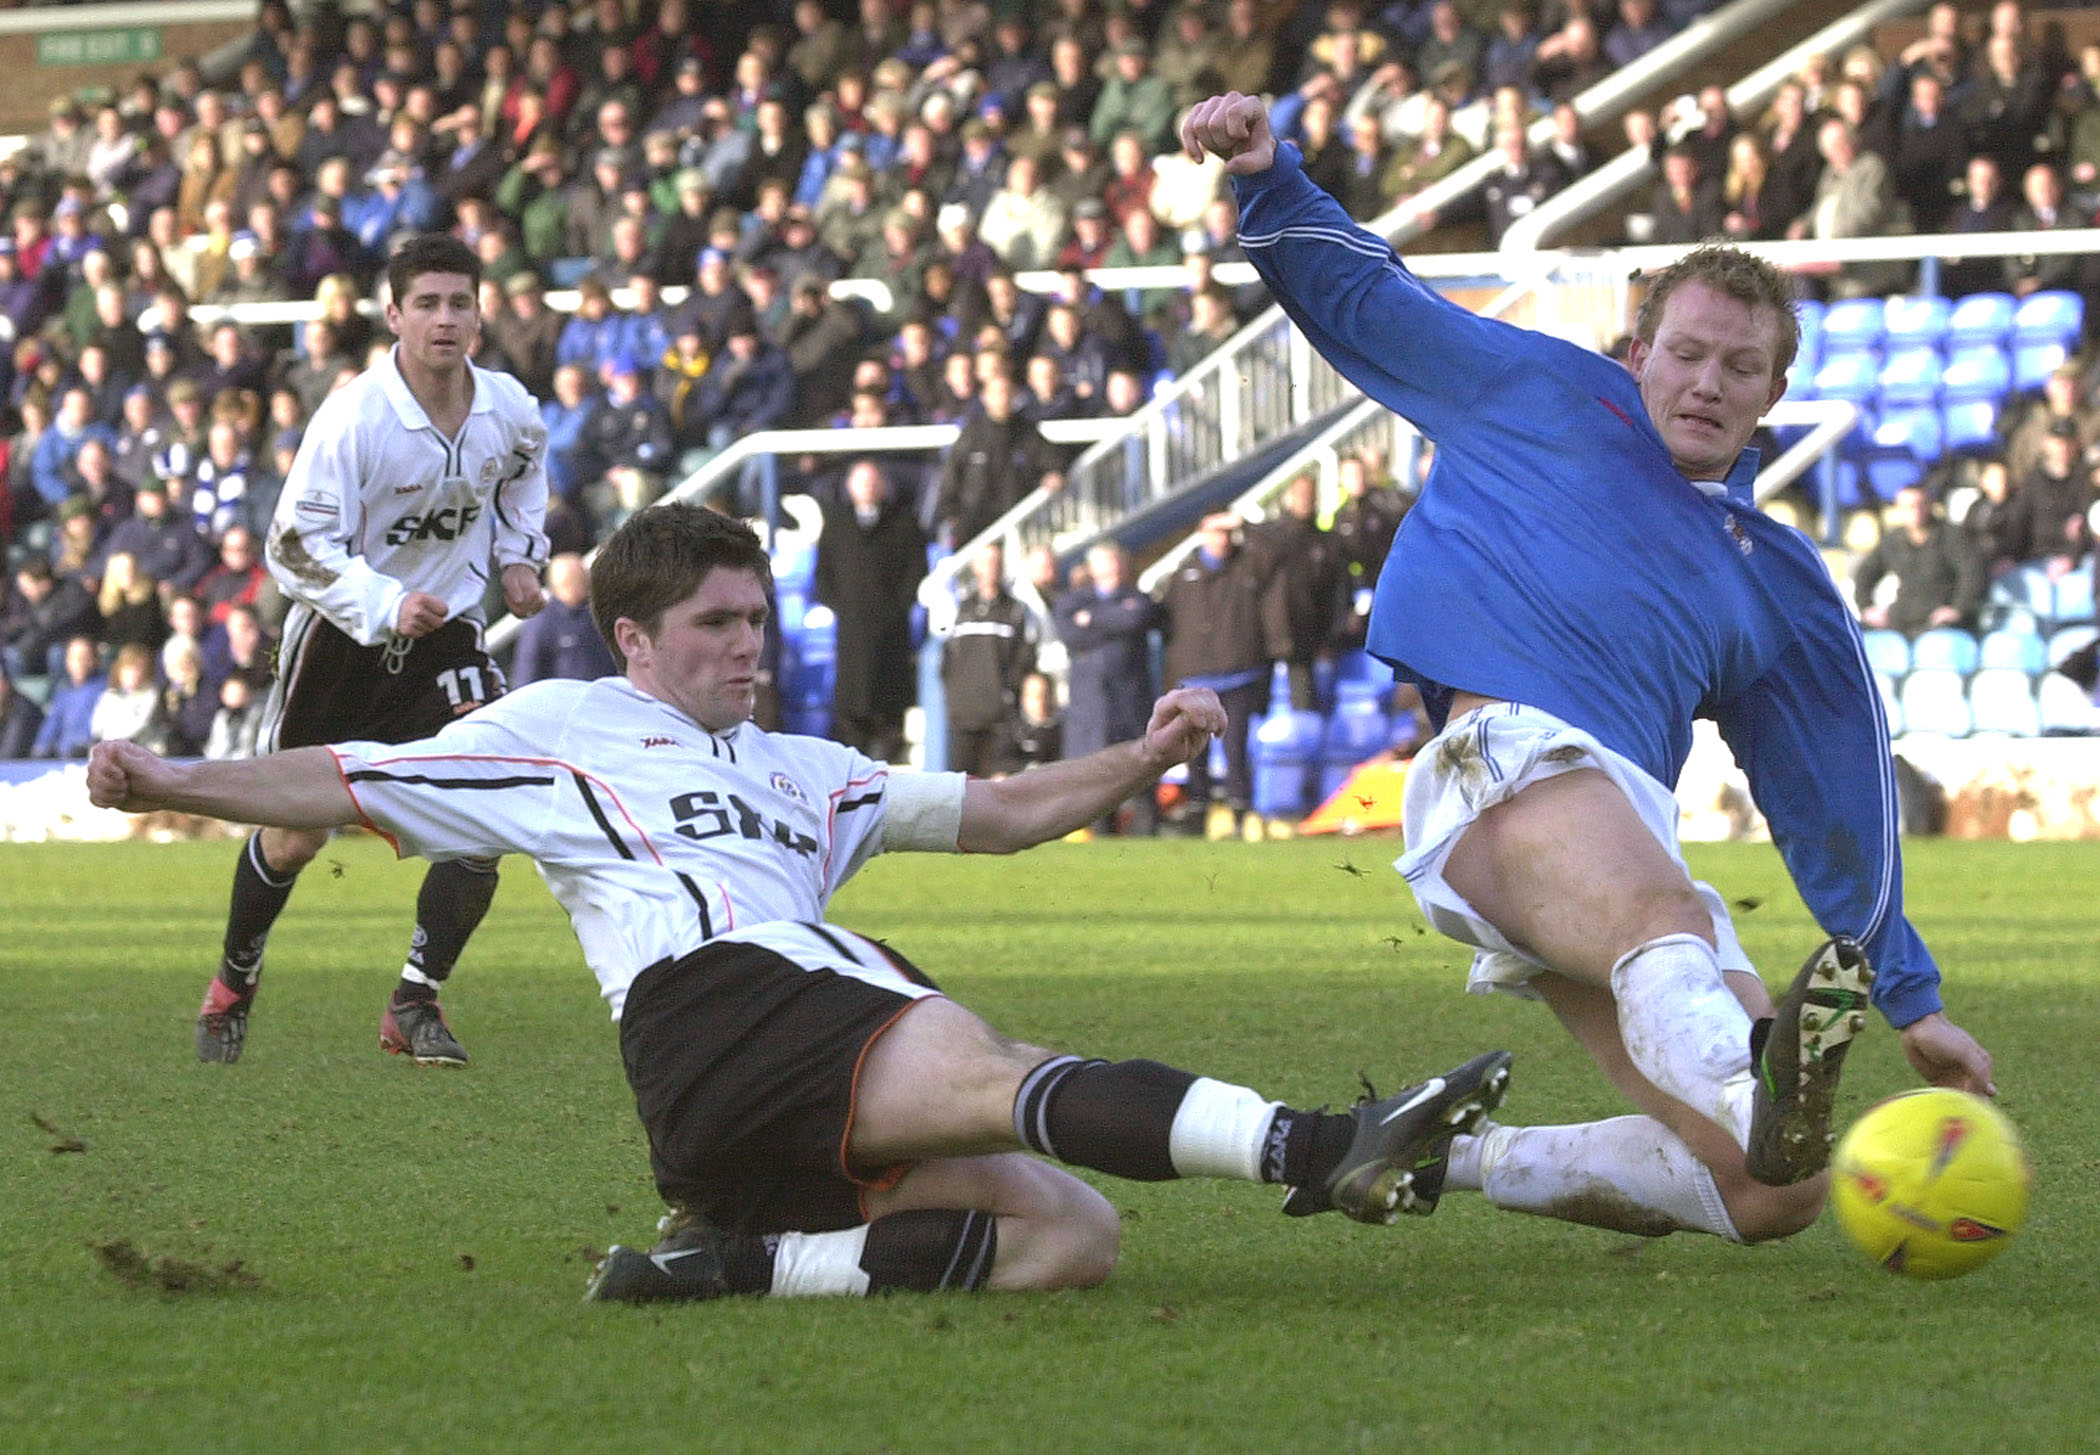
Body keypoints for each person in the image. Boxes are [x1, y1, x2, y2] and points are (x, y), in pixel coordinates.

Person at [89, 502, 1514, 1303]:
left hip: (743, 1092)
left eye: (758, 620)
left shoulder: (810, 769)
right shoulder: (565, 722)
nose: (747, 646)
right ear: (635, 638)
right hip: (718, 999)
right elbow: (343, 776)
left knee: (1072, 1234)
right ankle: (1318, 1145)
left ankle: (727, 1267)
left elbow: (1007, 812)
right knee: (999, 1068)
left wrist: (1140, 756)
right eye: (716, 623)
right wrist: (167, 773)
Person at [1181, 92, 1991, 1249]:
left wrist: (1915, 999)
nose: (1708, 383)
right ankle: (1753, 1093)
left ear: (1774, 395)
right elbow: (1373, 300)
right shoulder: (1537, 393)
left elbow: (1837, 798)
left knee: (1772, 1196)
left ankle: (1433, 1152)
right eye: (1689, 354)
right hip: (1501, 768)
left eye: (1741, 367)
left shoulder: (1779, 579)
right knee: (1667, 930)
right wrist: (1269, 179)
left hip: (1619, 843)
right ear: (1637, 354)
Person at [193, 234, 550, 1069]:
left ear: (479, 315)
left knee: (486, 801)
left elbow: (526, 472)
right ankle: (233, 980)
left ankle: (415, 1001)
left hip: (449, 638)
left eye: (459, 302)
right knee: (294, 838)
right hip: (343, 642)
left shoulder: (510, 409)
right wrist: (387, 600)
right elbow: (292, 547)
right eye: (426, 303)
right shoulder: (354, 415)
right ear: (393, 316)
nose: (444, 319)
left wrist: (517, 555)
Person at [1055, 540, 1161, 834]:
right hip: (1092, 705)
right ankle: (1102, 831)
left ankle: (1147, 832)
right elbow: (1071, 634)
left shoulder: (1137, 598)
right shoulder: (1073, 601)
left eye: (1117, 559)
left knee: (1140, 769)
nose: (1114, 566)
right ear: (1094, 568)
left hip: (1131, 702)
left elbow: (1135, 618)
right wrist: (1113, 623)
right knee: (1097, 776)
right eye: (1107, 560)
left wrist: (1092, 620)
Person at [940, 541, 1036, 777]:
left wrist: (1006, 692)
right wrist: (955, 694)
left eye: (996, 562)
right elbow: (946, 659)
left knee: (999, 788)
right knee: (962, 787)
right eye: (986, 562)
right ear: (975, 566)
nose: (991, 568)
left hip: (1000, 716)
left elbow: (1024, 659)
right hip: (963, 713)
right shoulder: (959, 608)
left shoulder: (1015, 610)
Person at [1853, 485, 1986, 637]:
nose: (1915, 510)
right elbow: (1865, 573)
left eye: (1920, 504)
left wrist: (1958, 609)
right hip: (1902, 617)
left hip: (1940, 620)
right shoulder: (1893, 541)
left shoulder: (1952, 536)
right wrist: (1867, 607)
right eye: (1908, 506)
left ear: (1930, 505)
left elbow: (1973, 573)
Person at [512, 552, 620, 686]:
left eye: (584, 577)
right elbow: (527, 673)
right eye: (578, 579)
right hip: (570, 699)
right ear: (562, 585)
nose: (585, 583)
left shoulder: (602, 609)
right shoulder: (542, 623)